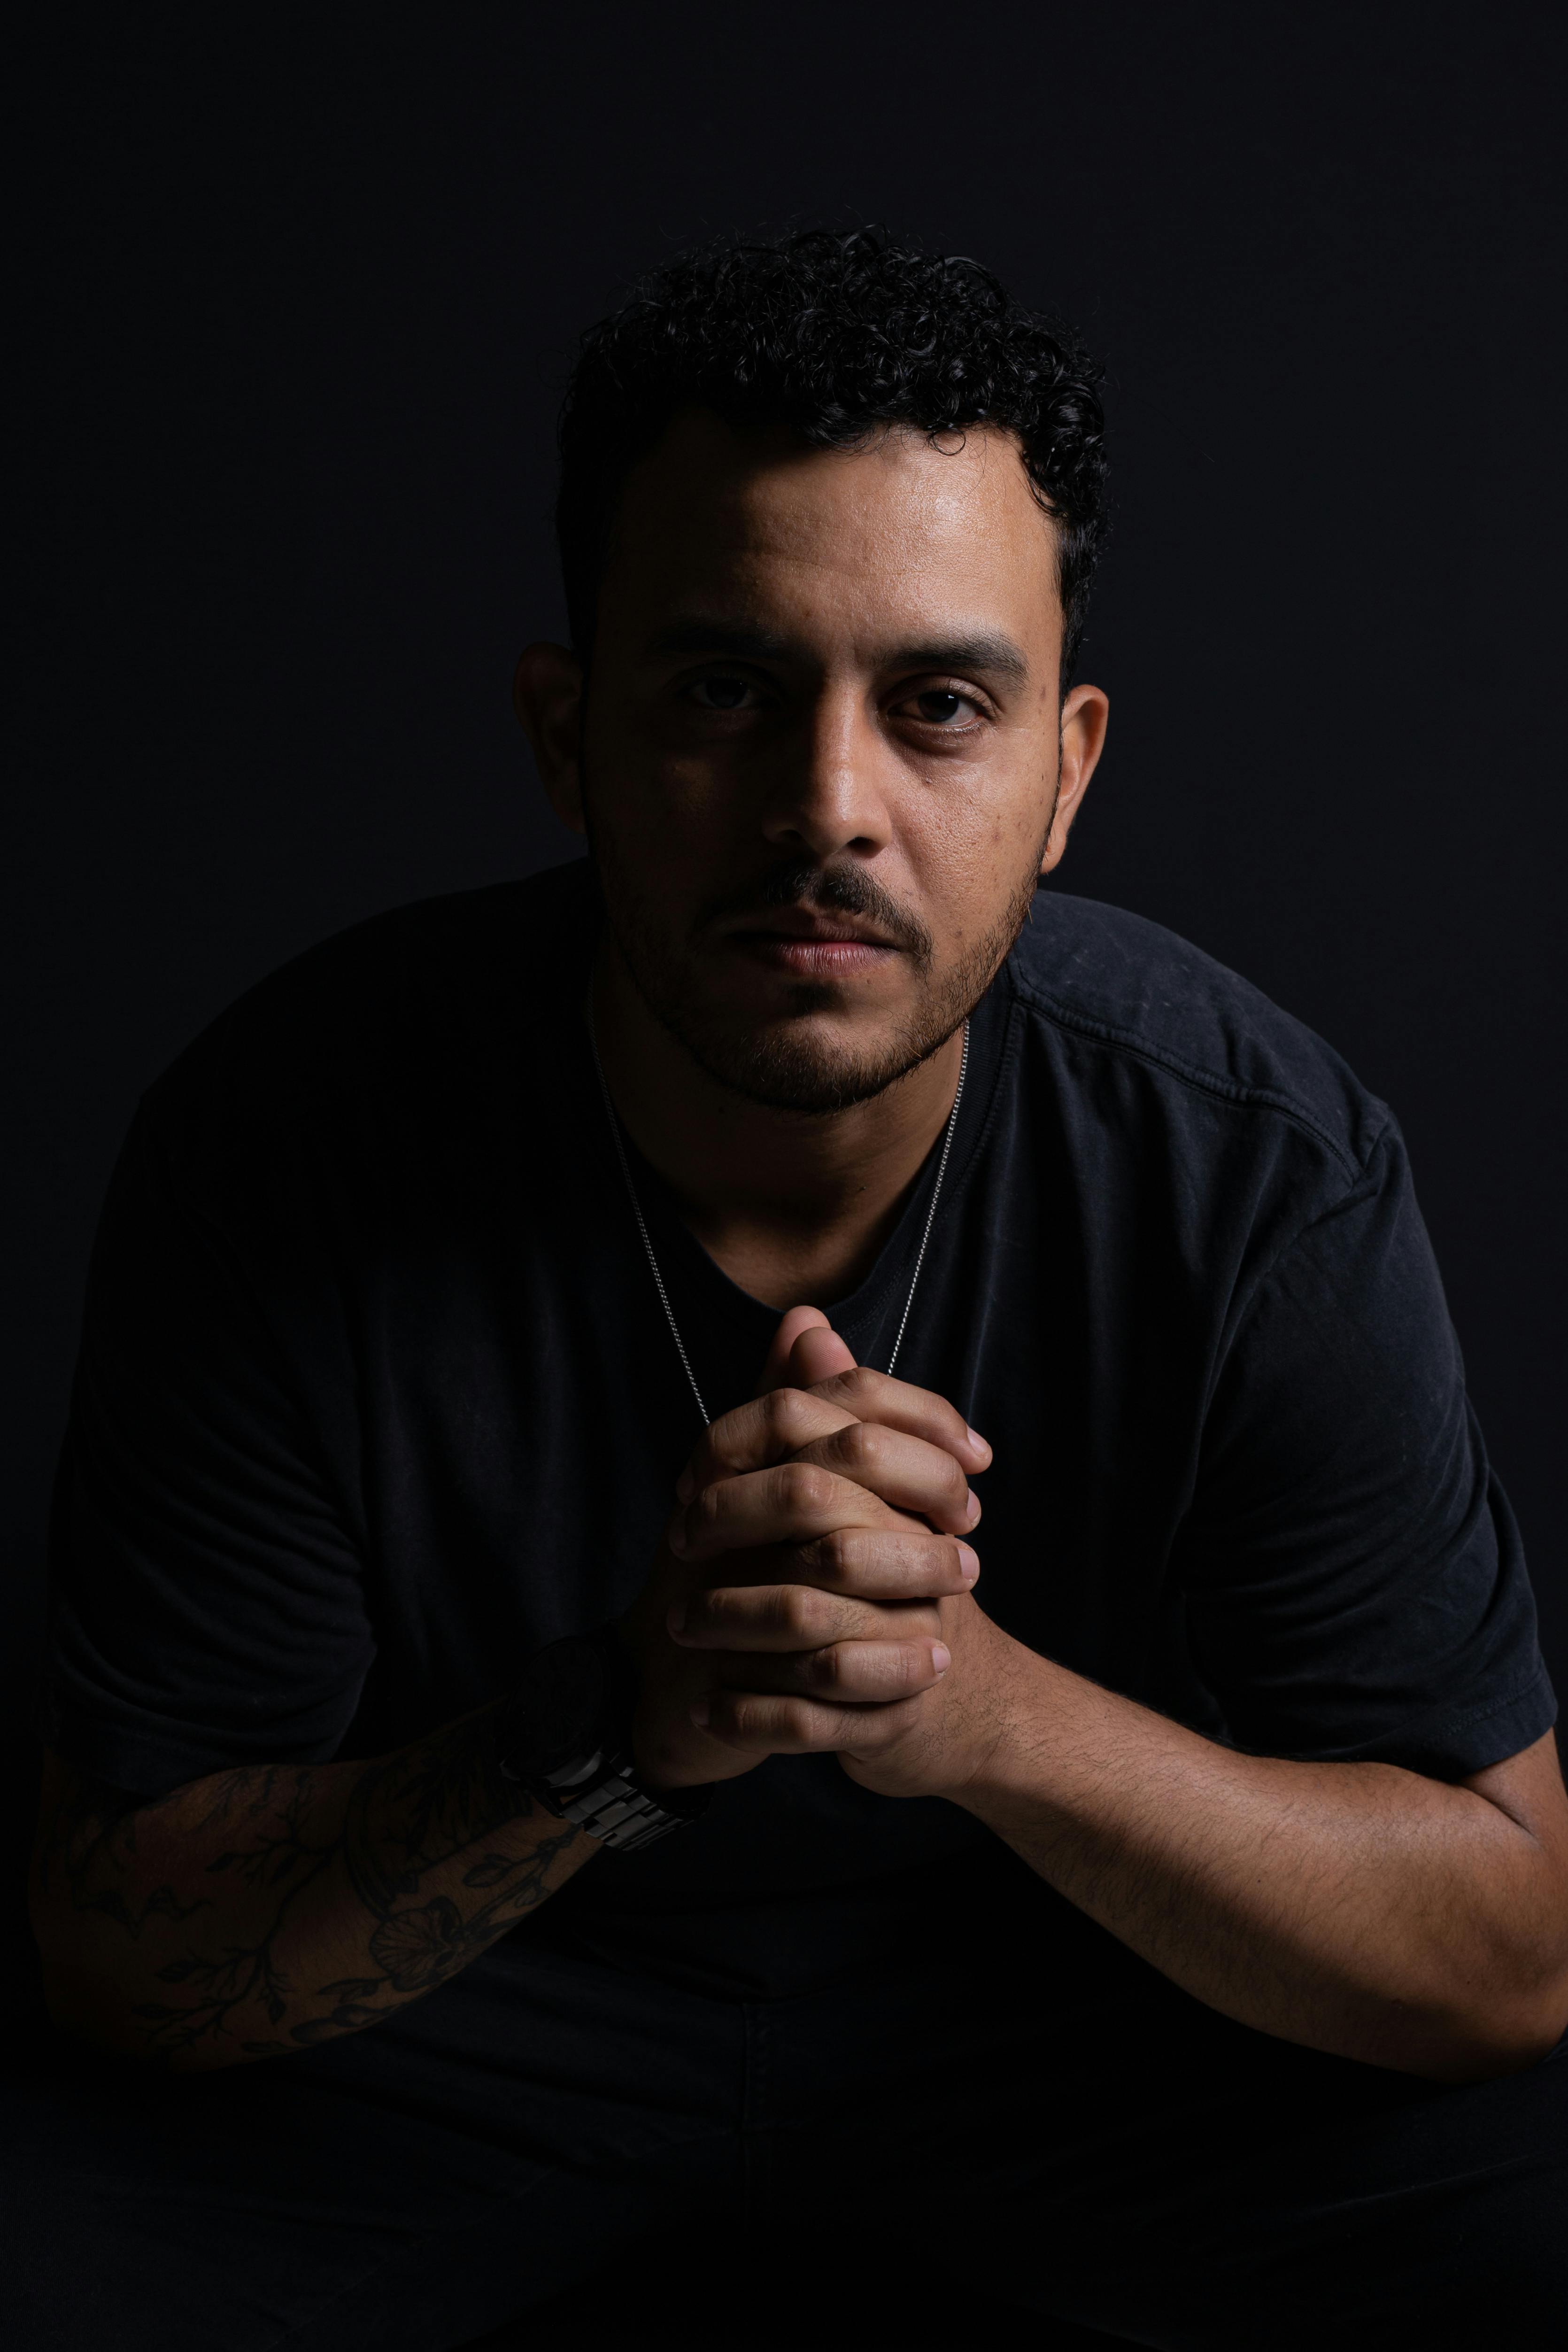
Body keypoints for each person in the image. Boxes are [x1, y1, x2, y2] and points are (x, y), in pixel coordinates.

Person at [17, 227, 1568, 2351]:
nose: (824, 808)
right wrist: (626, 1725)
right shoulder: (290, 1140)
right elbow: (113, 1937)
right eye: (724, 691)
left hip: (1078, 2020)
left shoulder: (1254, 1163)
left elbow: (1507, 1943)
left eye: (938, 705)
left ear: (1063, 775)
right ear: (568, 739)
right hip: (466, 2028)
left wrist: (980, 1710)